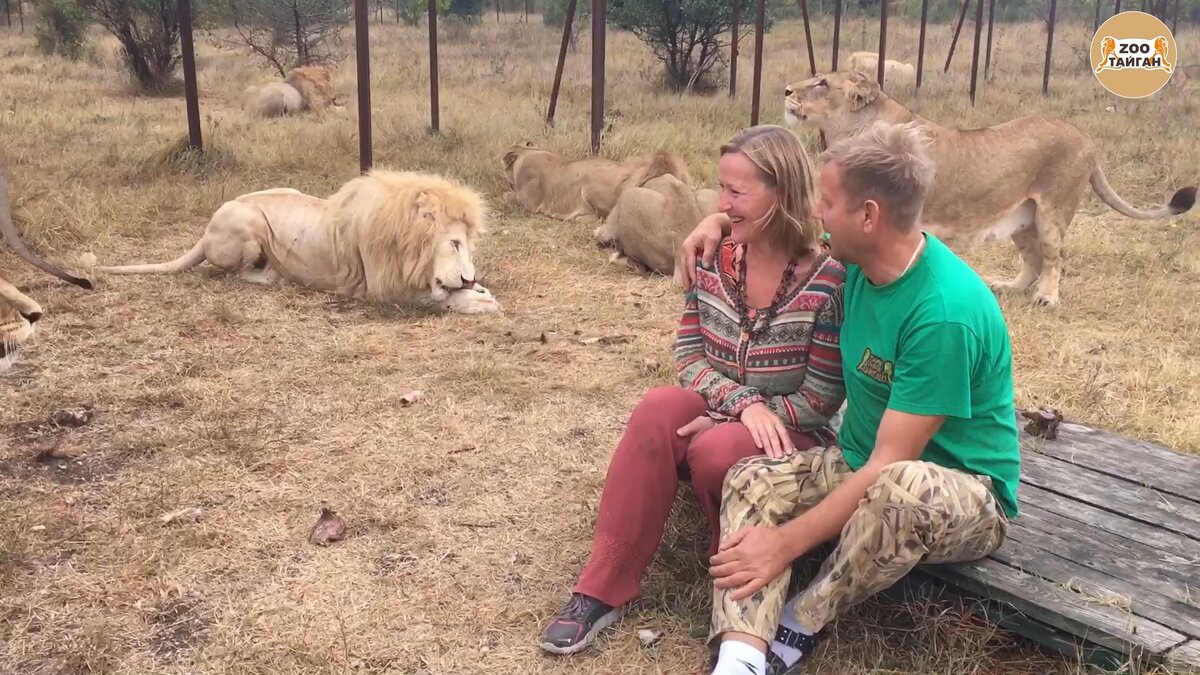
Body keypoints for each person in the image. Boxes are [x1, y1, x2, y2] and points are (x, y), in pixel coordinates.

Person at [677, 120, 1020, 675]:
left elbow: (893, 463)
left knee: (900, 489)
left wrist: (785, 543)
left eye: (828, 201)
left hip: (959, 492)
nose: (815, 211)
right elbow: (783, 232)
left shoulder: (944, 314)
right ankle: (741, 655)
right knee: (750, 476)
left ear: (868, 216)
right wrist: (716, 220)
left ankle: (805, 617)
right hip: (859, 462)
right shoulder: (855, 266)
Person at [538, 125, 849, 657]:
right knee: (660, 405)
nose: (721, 204)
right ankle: (602, 584)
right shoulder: (710, 255)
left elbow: (821, 399)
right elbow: (687, 356)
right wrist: (739, 405)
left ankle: (737, 593)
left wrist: (744, 418)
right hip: (732, 412)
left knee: (716, 448)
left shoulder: (828, 282)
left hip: (793, 435)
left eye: (736, 192)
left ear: (784, 193)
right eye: (720, 188)